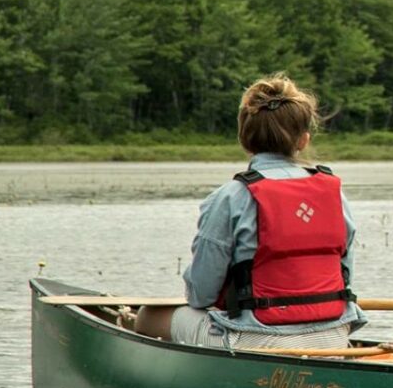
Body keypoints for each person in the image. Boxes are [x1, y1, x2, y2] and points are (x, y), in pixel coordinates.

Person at [137, 76, 363, 350]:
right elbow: (345, 272)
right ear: (304, 140)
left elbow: (201, 294)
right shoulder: (334, 194)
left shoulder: (231, 196)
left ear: (245, 140)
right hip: (333, 336)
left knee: (148, 316)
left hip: (256, 340)